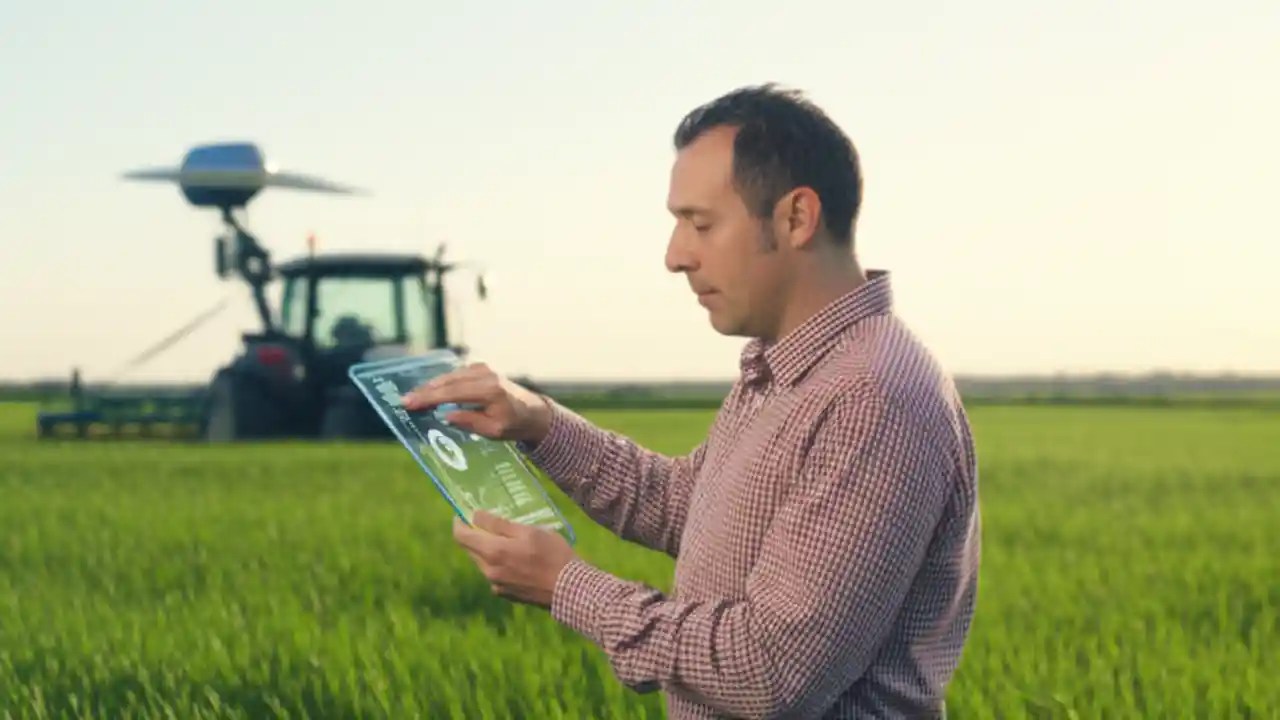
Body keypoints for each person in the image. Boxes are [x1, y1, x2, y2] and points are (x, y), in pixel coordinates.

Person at [401, 84, 981, 719]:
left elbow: (769, 671)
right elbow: (689, 507)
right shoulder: (784, 366)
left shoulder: (873, 398)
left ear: (795, 218)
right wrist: (538, 424)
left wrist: (567, 586)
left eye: (700, 223)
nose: (675, 256)